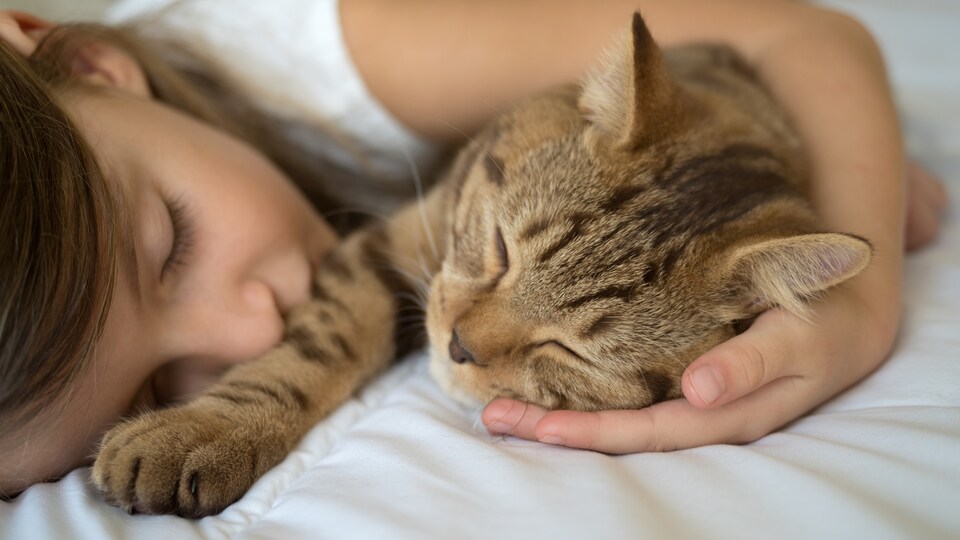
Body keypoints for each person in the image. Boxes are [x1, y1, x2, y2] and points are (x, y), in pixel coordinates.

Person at [0, 0, 947, 497]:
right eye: (151, 397)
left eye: (174, 244)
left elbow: (801, 29)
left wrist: (855, 300)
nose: (465, 340)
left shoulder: (319, 48)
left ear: (88, 67)